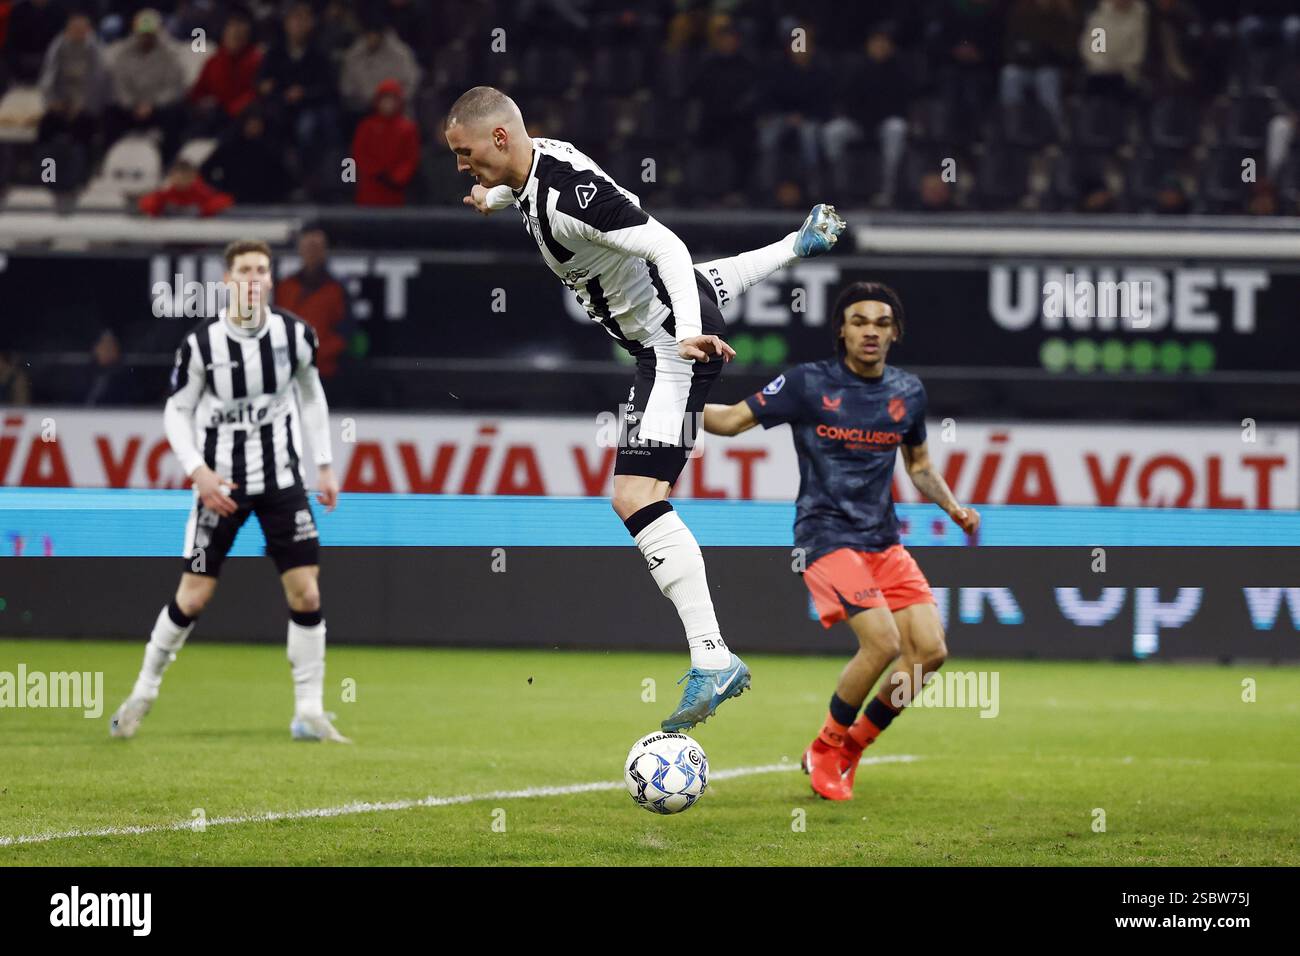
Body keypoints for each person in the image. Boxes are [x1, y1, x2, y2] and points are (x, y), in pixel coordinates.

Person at [447, 85, 847, 732]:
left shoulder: (570, 199)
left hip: (669, 346)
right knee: (637, 486)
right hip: (665, 324)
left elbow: (668, 250)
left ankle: (713, 658)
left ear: (498, 137)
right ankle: (712, 656)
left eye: (465, 154)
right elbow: (691, 279)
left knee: (634, 496)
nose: (460, 166)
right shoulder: (537, 164)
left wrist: (686, 334)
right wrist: (790, 249)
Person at [700, 282, 980, 800]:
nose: (869, 331)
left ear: (895, 332)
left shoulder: (907, 392)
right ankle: (828, 747)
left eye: (880, 322)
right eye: (858, 321)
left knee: (930, 651)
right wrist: (673, 401)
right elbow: (733, 420)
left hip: (883, 540)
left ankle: (851, 748)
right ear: (841, 331)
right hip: (824, 535)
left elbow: (918, 465)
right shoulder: (808, 383)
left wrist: (953, 507)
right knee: (884, 642)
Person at [111, 239, 347, 743]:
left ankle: (309, 711)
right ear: (227, 281)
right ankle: (143, 692)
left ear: (269, 279)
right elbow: (177, 410)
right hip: (221, 485)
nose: (254, 279)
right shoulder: (202, 346)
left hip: (282, 481)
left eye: (262, 271)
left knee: (306, 591)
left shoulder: (294, 335)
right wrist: (197, 471)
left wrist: (323, 465)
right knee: (193, 598)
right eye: (244, 271)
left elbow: (311, 393)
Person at [275, 227, 352, 380]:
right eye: (308, 247)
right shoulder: (286, 287)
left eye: (317, 247)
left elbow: (345, 334)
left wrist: (317, 353)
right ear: (300, 250)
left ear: (325, 251)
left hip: (325, 373)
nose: (312, 253)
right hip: (290, 374)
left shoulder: (336, 290)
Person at [351, 77, 419, 206]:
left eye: (392, 99)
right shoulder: (366, 126)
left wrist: (397, 178)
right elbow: (359, 153)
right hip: (370, 186)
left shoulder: (408, 128)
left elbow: (410, 158)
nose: (388, 104)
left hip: (396, 190)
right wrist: (376, 172)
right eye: (384, 99)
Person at [137, 158, 234, 216]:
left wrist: (205, 209)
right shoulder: (165, 194)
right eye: (177, 178)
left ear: (193, 177)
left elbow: (225, 200)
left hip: (197, 243)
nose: (181, 181)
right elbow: (146, 204)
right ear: (171, 177)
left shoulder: (202, 193)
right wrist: (156, 205)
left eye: (185, 178)